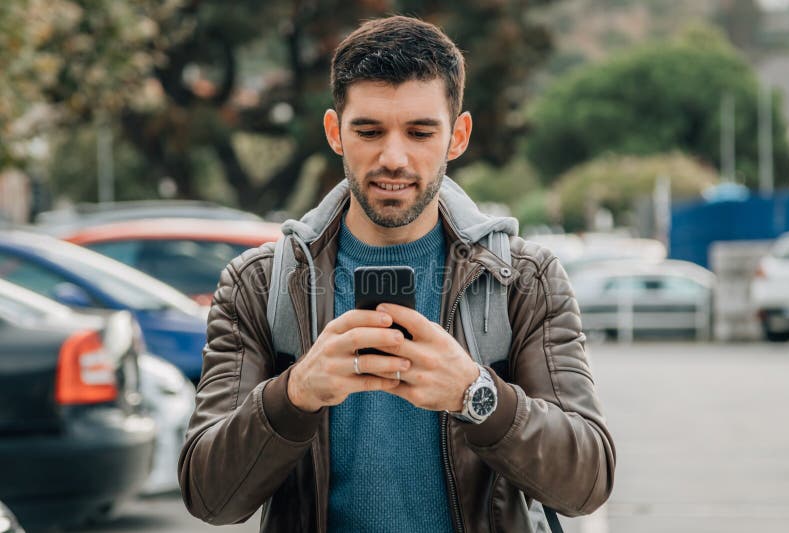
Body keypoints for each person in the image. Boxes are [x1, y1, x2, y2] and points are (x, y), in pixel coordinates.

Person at [179, 15, 615, 533]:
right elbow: (210, 497)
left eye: (420, 132)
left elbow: (586, 481)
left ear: (458, 137)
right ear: (334, 132)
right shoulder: (257, 283)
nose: (393, 157)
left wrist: (477, 395)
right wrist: (294, 395)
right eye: (368, 130)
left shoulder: (524, 279)